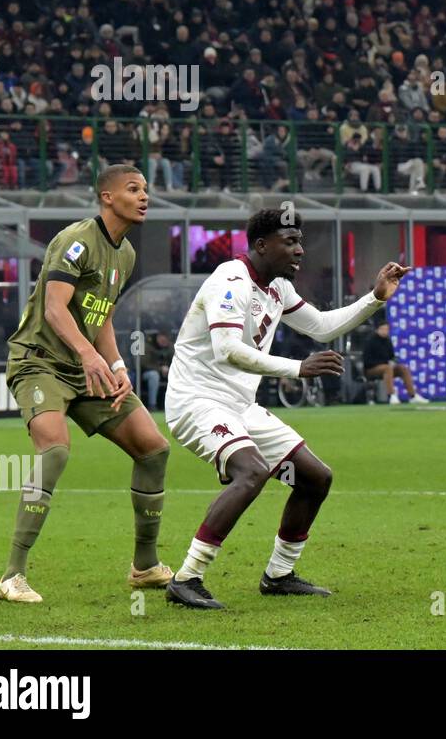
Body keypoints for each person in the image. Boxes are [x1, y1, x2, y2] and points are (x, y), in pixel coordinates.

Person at [162, 208, 409, 610]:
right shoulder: (230, 281)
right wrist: (298, 369)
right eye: (290, 242)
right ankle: (187, 577)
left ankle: (278, 575)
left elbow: (322, 327)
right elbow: (227, 350)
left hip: (240, 405)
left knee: (314, 478)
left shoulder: (278, 286)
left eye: (300, 241)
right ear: (261, 245)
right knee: (251, 472)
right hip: (197, 401)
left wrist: (374, 298)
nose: (300, 250)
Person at [0, 164, 172, 604]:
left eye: (146, 189)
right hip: (40, 361)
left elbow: (102, 314)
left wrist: (115, 363)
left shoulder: (126, 254)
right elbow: (56, 309)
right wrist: (89, 354)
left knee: (153, 447)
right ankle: (12, 577)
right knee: (55, 451)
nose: (144, 196)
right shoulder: (77, 241)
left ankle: (145, 566)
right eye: (134, 189)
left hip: (86, 367)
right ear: (108, 197)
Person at [363, 318, 429, 404]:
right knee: (387, 368)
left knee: (403, 368)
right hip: (371, 369)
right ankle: (392, 396)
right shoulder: (370, 341)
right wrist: (385, 363)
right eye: (382, 329)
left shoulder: (387, 341)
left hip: (386, 367)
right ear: (377, 330)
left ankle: (413, 396)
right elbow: (367, 361)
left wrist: (393, 361)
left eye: (386, 329)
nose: (385, 331)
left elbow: (391, 356)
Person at [140, 332, 174, 411]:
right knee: (154, 375)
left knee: (177, 374)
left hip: (166, 373)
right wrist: (160, 369)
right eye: (163, 337)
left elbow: (176, 361)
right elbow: (144, 364)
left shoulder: (170, 347)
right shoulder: (148, 346)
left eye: (166, 338)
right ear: (158, 337)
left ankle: (176, 406)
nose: (164, 340)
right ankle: (152, 405)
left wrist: (170, 369)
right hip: (146, 373)